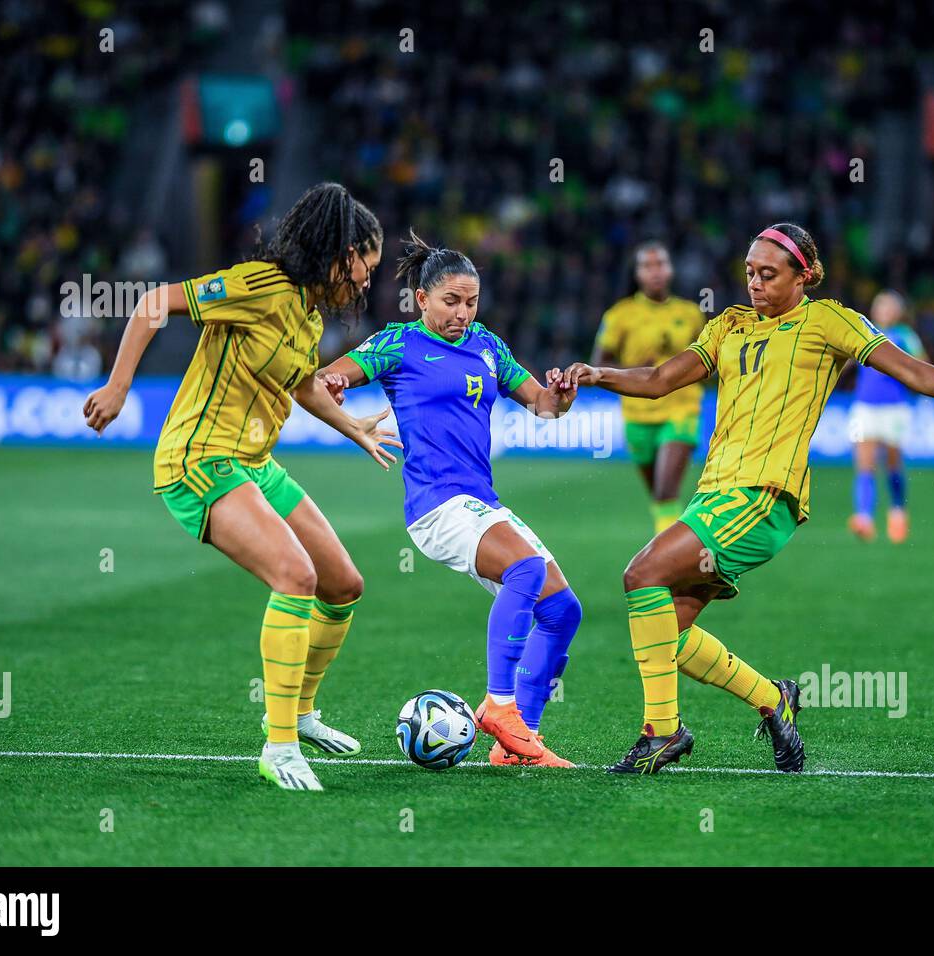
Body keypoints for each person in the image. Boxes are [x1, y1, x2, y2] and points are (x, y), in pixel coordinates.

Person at [560, 223, 934, 775]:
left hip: (762, 496)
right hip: (714, 494)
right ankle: (773, 700)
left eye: (768, 274)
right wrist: (596, 373)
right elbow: (658, 380)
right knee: (666, 632)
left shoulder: (828, 321)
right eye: (750, 272)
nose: (755, 283)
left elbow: (908, 368)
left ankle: (663, 731)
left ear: (804, 276)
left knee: (640, 575)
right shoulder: (728, 325)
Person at [82, 183, 400, 792]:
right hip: (200, 458)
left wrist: (353, 426)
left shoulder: (308, 312)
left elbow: (302, 383)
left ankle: (301, 713)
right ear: (340, 251)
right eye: (366, 266)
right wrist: (119, 387)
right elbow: (152, 305)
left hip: (253, 461)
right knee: (295, 576)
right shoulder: (258, 287)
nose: (367, 281)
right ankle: (278, 747)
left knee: (343, 584)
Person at [318, 232, 583, 767]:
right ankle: (499, 706)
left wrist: (561, 394)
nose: (463, 312)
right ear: (422, 299)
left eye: (471, 301)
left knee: (561, 610)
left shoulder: (487, 343)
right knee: (526, 571)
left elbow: (543, 406)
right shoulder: (397, 343)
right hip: (437, 504)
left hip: (480, 500)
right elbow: (327, 378)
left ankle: (517, 744)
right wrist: (343, 403)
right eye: (451, 301)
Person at [593, 242, 707, 534]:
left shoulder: (692, 313)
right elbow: (599, 363)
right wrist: (633, 369)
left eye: (661, 264)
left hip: (681, 409)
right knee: (660, 499)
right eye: (648, 265)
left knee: (665, 492)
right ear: (637, 273)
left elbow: (710, 360)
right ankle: (680, 546)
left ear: (670, 270)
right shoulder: (620, 315)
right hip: (637, 415)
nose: (655, 271)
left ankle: (670, 562)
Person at [847, 290, 925, 543]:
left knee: (892, 463)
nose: (884, 310)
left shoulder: (904, 335)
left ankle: (897, 512)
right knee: (864, 462)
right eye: (880, 305)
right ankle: (864, 518)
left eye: (889, 306)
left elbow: (921, 364)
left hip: (894, 408)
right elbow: (846, 359)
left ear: (898, 311)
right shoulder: (862, 330)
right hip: (864, 406)